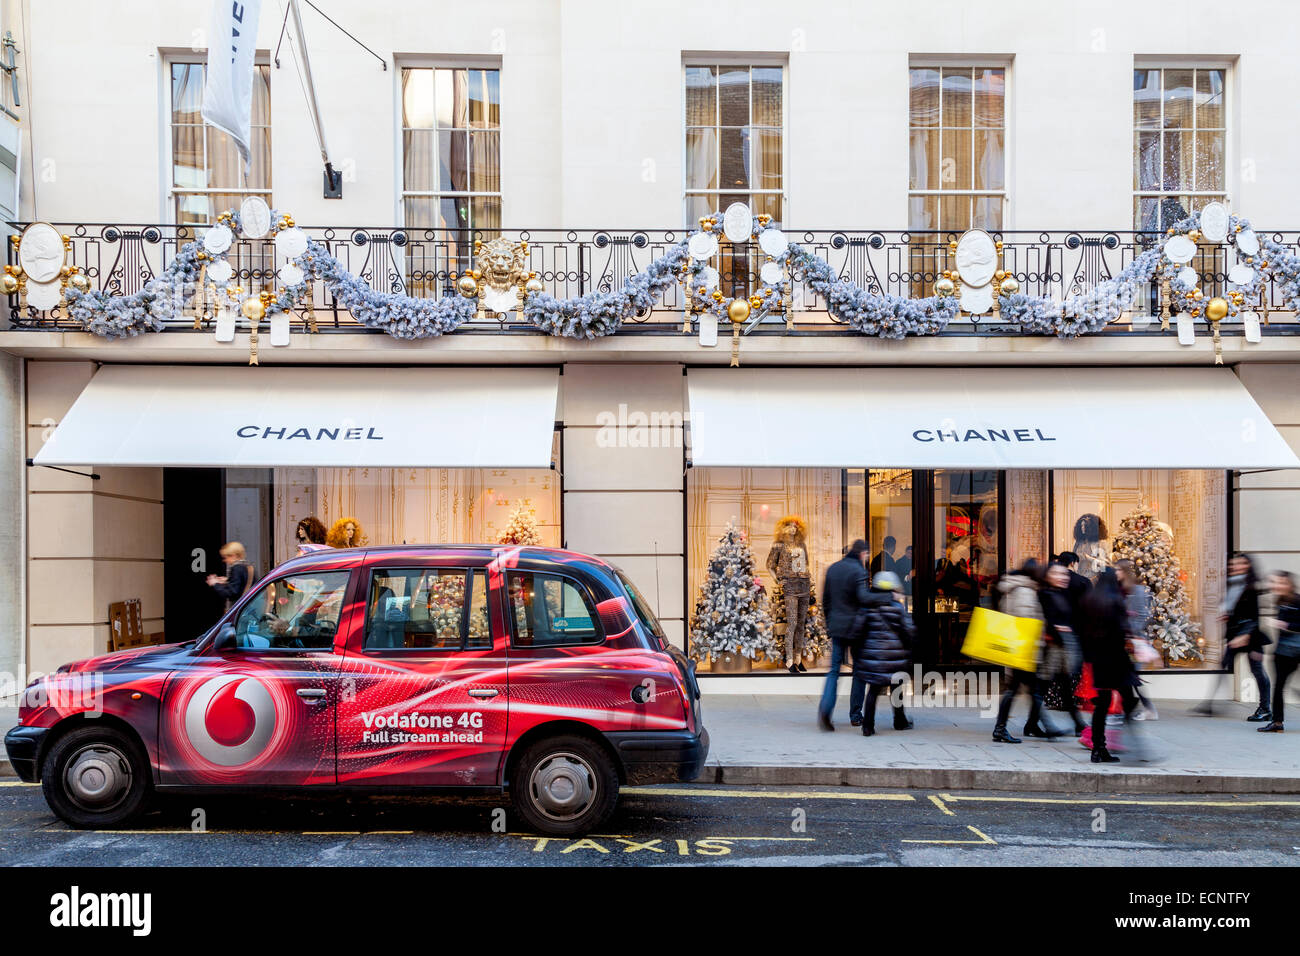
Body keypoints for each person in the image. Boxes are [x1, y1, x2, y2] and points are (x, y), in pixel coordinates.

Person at [1194, 553, 1273, 720]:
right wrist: (1227, 616)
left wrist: (1245, 635)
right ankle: (1210, 705)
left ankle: (1265, 709)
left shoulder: (1252, 586)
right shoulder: (1233, 584)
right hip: (1235, 635)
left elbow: (1255, 616)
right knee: (1223, 666)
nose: (1236, 567)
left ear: (1248, 566)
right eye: (1234, 564)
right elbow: (1236, 608)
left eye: (1241, 564)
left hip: (1250, 636)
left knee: (1257, 671)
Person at [991, 560, 1059, 743]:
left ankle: (1036, 727)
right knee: (1024, 690)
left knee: (1022, 689)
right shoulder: (1024, 591)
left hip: (1020, 647)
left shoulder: (1019, 588)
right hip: (1023, 648)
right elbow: (1025, 622)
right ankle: (1043, 727)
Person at [1080, 568, 1140, 762]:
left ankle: (1098, 749)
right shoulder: (1115, 602)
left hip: (1097, 662)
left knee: (1102, 706)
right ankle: (1135, 743)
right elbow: (1120, 633)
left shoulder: (1089, 601)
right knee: (1128, 701)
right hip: (1116, 660)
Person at [818, 539, 873, 731]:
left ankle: (825, 710)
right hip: (856, 629)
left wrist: (830, 623)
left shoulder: (833, 568)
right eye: (866, 555)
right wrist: (887, 596)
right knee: (858, 671)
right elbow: (864, 598)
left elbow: (825, 600)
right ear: (862, 554)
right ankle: (856, 715)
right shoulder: (859, 571)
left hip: (837, 627)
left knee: (834, 671)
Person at [852, 571, 915, 736]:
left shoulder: (867, 607)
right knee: (897, 690)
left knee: (873, 691)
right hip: (894, 659)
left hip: (874, 659)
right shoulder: (897, 608)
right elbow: (908, 631)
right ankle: (900, 721)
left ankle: (868, 726)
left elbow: (858, 631)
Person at [1040, 561, 1088, 735]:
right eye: (1058, 574)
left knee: (1064, 690)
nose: (1063, 578)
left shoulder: (1061, 594)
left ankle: (1078, 725)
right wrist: (1057, 628)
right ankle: (1074, 725)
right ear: (1048, 576)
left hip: (1061, 651)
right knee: (1040, 689)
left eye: (1064, 574)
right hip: (1050, 650)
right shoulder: (1044, 594)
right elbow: (1045, 620)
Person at [1116, 559, 1159, 720]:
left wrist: (1132, 633)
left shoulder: (1137, 591)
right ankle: (1138, 708)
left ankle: (1148, 709)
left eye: (1118, 570)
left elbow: (1142, 615)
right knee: (1130, 677)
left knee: (1132, 677)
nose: (1116, 573)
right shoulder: (1121, 590)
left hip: (1134, 641)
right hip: (1125, 640)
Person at [1259, 571, 1300, 733]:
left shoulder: (1297, 601)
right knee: (1279, 687)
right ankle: (1277, 723)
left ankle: (1277, 722)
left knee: (1281, 687)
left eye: (1282, 583)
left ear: (1289, 585)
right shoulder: (1280, 601)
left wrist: (1284, 625)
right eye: (1276, 583)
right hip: (1283, 652)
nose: (1278, 586)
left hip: (1295, 650)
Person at [206, 542, 255, 611]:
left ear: (233, 556)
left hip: (239, 609)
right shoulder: (248, 566)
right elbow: (242, 584)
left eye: (225, 557)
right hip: (249, 607)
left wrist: (215, 584)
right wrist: (227, 581)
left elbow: (232, 592)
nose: (224, 560)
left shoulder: (236, 568)